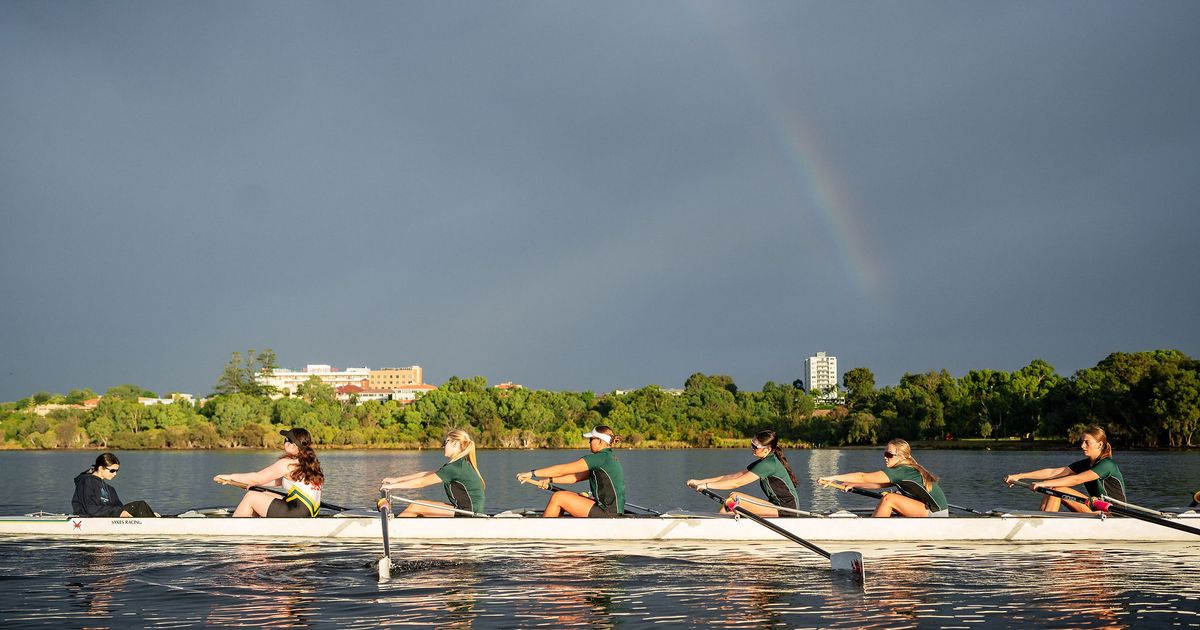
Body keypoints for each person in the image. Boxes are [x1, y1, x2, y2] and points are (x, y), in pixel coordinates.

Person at [1003, 425, 1126, 512]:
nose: (1082, 446)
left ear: (1100, 444)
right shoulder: (1086, 463)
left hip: (1113, 513)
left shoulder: (1107, 465)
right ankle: (1042, 516)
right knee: (1051, 487)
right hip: (1095, 507)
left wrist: (1044, 484)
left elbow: (1076, 480)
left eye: (1087, 442)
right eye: (1082, 441)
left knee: (1057, 489)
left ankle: (1045, 524)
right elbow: (1053, 472)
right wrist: (1019, 476)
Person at [818, 438, 949, 517]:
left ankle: (873, 529)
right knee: (890, 497)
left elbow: (864, 477)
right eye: (885, 453)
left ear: (901, 457)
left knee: (889, 499)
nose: (885, 457)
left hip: (936, 514)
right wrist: (853, 484)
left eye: (889, 454)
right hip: (927, 509)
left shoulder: (902, 471)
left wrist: (833, 477)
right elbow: (878, 485)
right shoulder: (903, 470)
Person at [685, 430, 801, 517]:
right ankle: (722, 522)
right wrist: (700, 482)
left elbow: (737, 483)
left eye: (755, 446)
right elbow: (733, 476)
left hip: (788, 510)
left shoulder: (768, 465)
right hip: (776, 506)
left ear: (767, 449)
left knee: (735, 498)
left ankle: (718, 526)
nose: (752, 448)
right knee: (733, 498)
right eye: (752, 444)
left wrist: (706, 486)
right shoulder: (765, 461)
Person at [515, 426, 625, 518]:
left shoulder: (600, 458)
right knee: (566, 495)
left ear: (600, 441)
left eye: (591, 439)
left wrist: (531, 473)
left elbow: (561, 470)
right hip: (611, 510)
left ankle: (544, 530)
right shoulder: (608, 457)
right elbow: (574, 477)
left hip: (607, 513)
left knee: (559, 497)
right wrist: (549, 480)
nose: (589, 442)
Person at [213, 428, 324, 517]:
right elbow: (278, 481)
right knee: (263, 494)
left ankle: (233, 528)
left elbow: (257, 477)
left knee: (251, 496)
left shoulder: (287, 463)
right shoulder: (309, 463)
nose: (284, 442)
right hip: (310, 512)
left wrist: (230, 477)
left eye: (286, 440)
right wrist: (255, 484)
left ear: (293, 446)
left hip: (298, 512)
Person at [380, 429, 486, 517]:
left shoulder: (455, 468)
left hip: (469, 514)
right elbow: (425, 475)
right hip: (467, 510)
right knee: (420, 506)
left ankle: (393, 530)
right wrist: (396, 480)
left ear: (455, 443)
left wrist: (393, 487)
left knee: (416, 507)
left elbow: (422, 483)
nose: (443, 446)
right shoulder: (459, 464)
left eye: (446, 442)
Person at [72, 453, 158, 517]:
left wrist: (147, 513)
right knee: (139, 506)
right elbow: (91, 509)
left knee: (140, 506)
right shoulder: (86, 482)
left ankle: (152, 519)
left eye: (117, 471)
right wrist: (119, 512)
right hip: (87, 519)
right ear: (101, 468)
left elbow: (119, 508)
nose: (115, 474)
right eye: (112, 471)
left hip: (106, 518)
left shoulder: (110, 489)